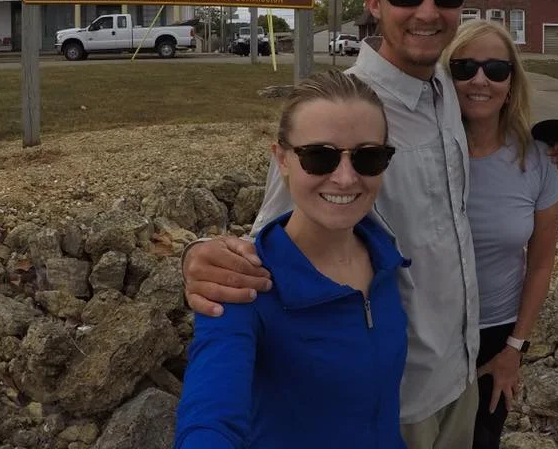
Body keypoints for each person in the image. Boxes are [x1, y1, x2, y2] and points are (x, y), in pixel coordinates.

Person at [182, 0, 558, 448]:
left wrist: (546, 144)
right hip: (392, 403)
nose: (428, 12)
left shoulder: (445, 92)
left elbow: (494, 131)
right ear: (375, 2)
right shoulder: (341, 113)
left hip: (460, 376)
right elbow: (268, 245)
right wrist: (202, 258)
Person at [175, 69, 409, 448]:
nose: (346, 178)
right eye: (319, 157)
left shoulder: (384, 260)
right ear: (281, 159)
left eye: (369, 157)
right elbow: (209, 416)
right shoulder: (242, 285)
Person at [441, 20, 558, 449]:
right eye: (464, 68)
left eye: (495, 69)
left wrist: (515, 348)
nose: (480, 80)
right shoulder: (419, 151)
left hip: (496, 334)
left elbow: (542, 262)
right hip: (425, 332)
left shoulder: (538, 161)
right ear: (446, 76)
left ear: (511, 82)